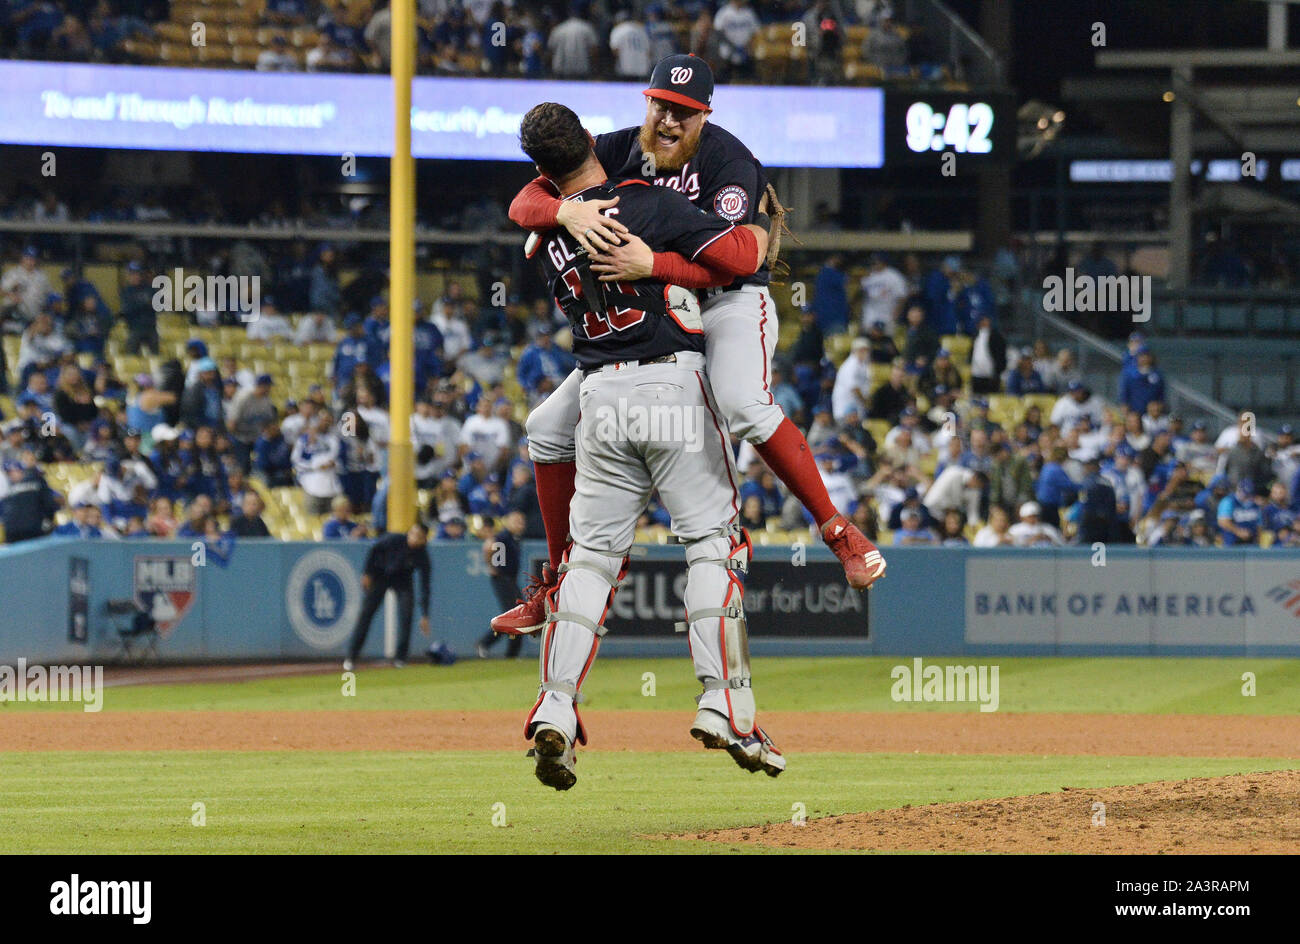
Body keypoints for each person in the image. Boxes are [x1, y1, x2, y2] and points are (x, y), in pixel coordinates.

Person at [503, 62, 885, 631]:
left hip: (726, 300)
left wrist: (652, 263)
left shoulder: (727, 162)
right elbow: (523, 201)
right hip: (658, 316)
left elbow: (739, 261)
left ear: (705, 114)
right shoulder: (617, 147)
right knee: (546, 426)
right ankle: (559, 579)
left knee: (742, 403)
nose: (667, 118)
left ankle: (838, 530)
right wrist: (564, 209)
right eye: (659, 104)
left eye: (682, 109)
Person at [502, 101, 787, 789]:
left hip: (599, 396)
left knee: (591, 563)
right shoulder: (647, 203)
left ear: (542, 172)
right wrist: (757, 231)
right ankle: (722, 701)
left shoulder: (542, 237)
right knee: (711, 545)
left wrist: (560, 208)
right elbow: (738, 255)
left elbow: (529, 209)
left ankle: (557, 707)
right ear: (595, 144)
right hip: (673, 388)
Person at [344, 523, 432, 671]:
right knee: (366, 614)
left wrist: (424, 614)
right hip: (381, 575)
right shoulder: (394, 539)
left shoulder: (422, 554)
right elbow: (374, 549)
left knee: (406, 616)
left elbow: (425, 585)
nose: (413, 539)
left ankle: (401, 659)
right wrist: (367, 573)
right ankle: (351, 657)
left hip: (403, 580)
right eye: (412, 534)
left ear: (424, 540)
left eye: (418, 537)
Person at [476, 510, 527, 659]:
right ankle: (485, 643)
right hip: (503, 578)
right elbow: (488, 546)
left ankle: (512, 654)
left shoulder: (513, 538)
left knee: (520, 614)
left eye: (522, 522)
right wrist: (491, 566)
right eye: (517, 521)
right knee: (512, 615)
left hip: (510, 579)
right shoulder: (503, 536)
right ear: (508, 522)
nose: (520, 525)